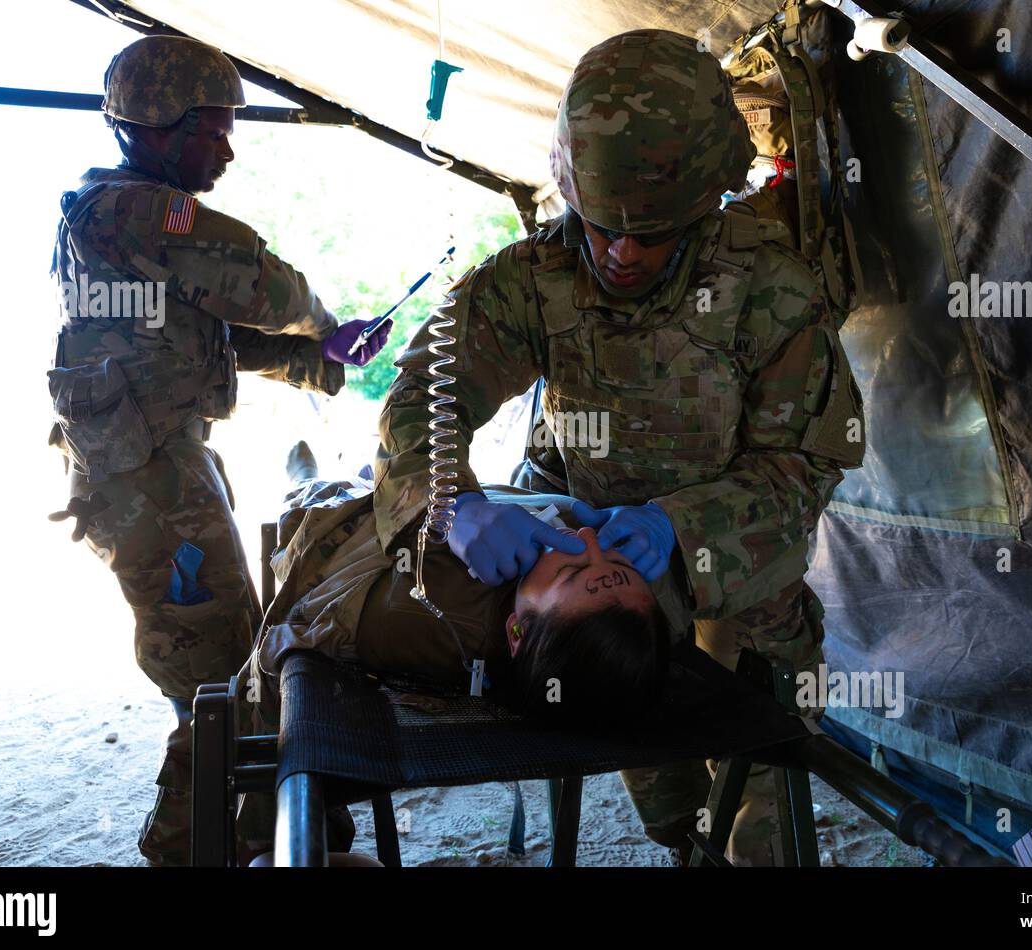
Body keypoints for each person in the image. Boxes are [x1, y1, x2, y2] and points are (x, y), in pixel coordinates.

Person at [374, 30, 867, 865]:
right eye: (600, 226)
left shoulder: (771, 288)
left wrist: (681, 525)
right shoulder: (533, 278)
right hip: (603, 577)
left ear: (709, 200)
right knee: (654, 769)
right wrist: (453, 499)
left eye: (654, 233)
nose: (621, 254)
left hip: (742, 574)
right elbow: (425, 396)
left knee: (763, 808)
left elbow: (805, 465)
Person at [46, 35, 390, 866]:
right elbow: (254, 282)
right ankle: (189, 849)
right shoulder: (136, 212)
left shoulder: (116, 223)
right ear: (157, 126)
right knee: (220, 676)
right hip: (149, 482)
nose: (228, 148)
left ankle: (244, 838)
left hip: (155, 471)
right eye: (214, 128)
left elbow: (203, 340)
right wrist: (318, 318)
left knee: (225, 662)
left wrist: (321, 359)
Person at [231, 443, 679, 863]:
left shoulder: (414, 613)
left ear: (516, 631)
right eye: (620, 563)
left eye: (574, 566)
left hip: (336, 523)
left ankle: (305, 474)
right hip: (417, 499)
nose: (588, 537)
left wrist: (445, 509)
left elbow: (303, 625)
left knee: (320, 488)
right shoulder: (594, 609)